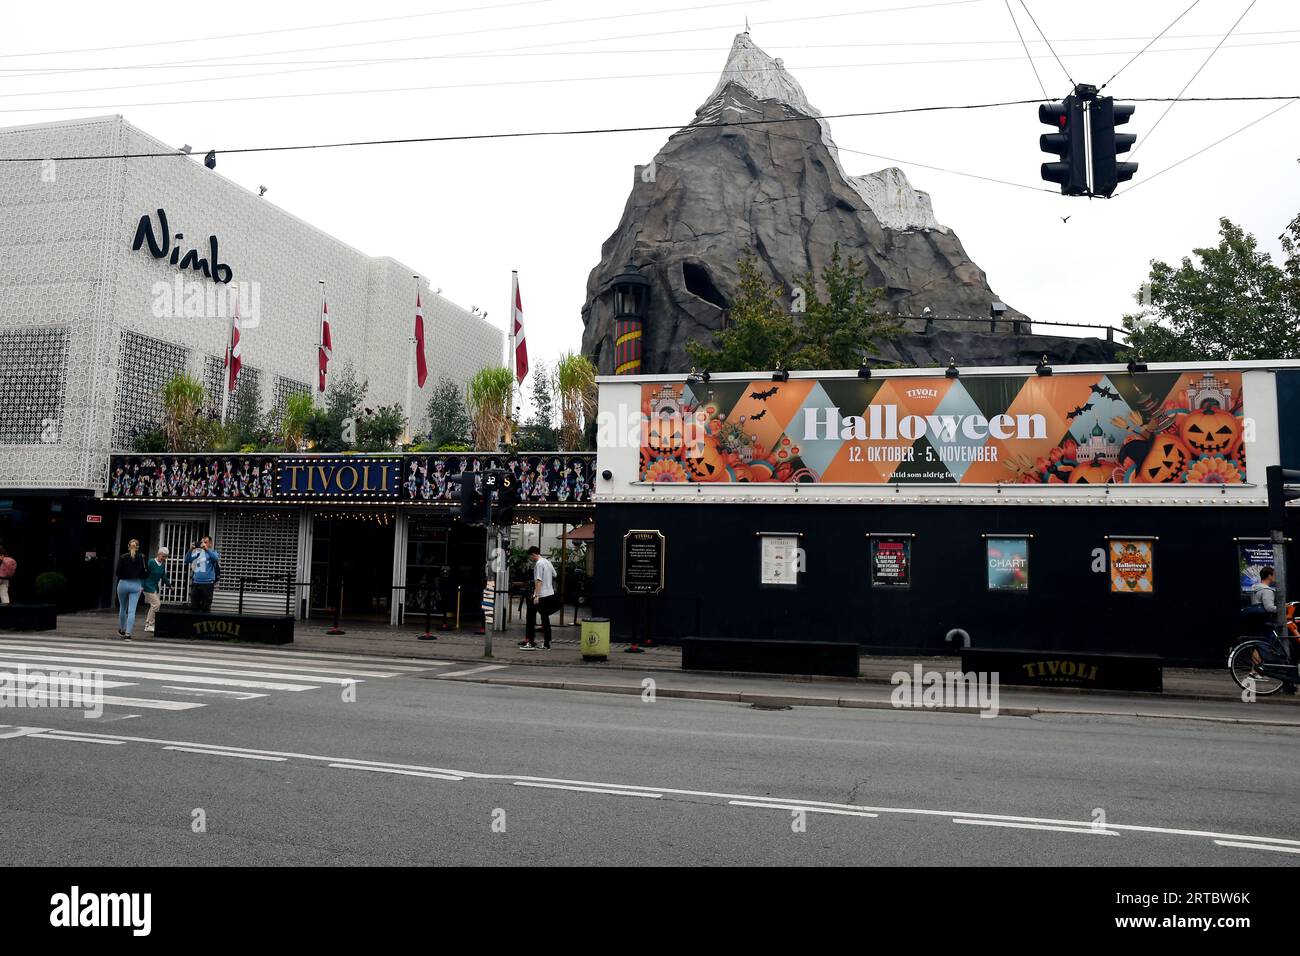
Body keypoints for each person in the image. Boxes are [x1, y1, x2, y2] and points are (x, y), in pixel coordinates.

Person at [519, 546, 559, 650]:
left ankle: (531, 641)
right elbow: (555, 574)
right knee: (545, 619)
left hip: (541, 595)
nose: (530, 559)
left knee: (530, 617)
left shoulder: (539, 564)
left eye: (530, 557)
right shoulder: (547, 562)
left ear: (533, 554)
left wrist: (536, 595)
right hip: (549, 593)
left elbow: (538, 581)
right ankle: (546, 643)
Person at [114, 538, 148, 640]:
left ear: (128, 546)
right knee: (132, 610)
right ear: (137, 547)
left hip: (123, 583)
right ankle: (128, 634)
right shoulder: (142, 557)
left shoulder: (122, 557)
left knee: (122, 608)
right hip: (136, 583)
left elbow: (118, 573)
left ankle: (122, 629)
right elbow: (144, 573)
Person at [187, 536, 220, 612]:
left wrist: (206, 549)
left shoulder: (213, 552)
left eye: (206, 542)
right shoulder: (197, 553)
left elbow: (215, 558)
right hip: (196, 583)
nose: (203, 544)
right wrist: (190, 549)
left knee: (206, 607)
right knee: (194, 607)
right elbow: (187, 560)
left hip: (207, 584)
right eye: (202, 542)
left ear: (210, 544)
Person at [141, 546, 171, 633]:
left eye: (166, 556)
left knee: (153, 605)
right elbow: (144, 574)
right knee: (156, 604)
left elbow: (163, 576)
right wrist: (142, 585)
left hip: (154, 587)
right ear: (159, 554)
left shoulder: (162, 565)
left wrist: (169, 585)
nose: (164, 558)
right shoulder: (151, 562)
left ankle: (148, 624)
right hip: (147, 586)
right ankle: (149, 624)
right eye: (163, 556)